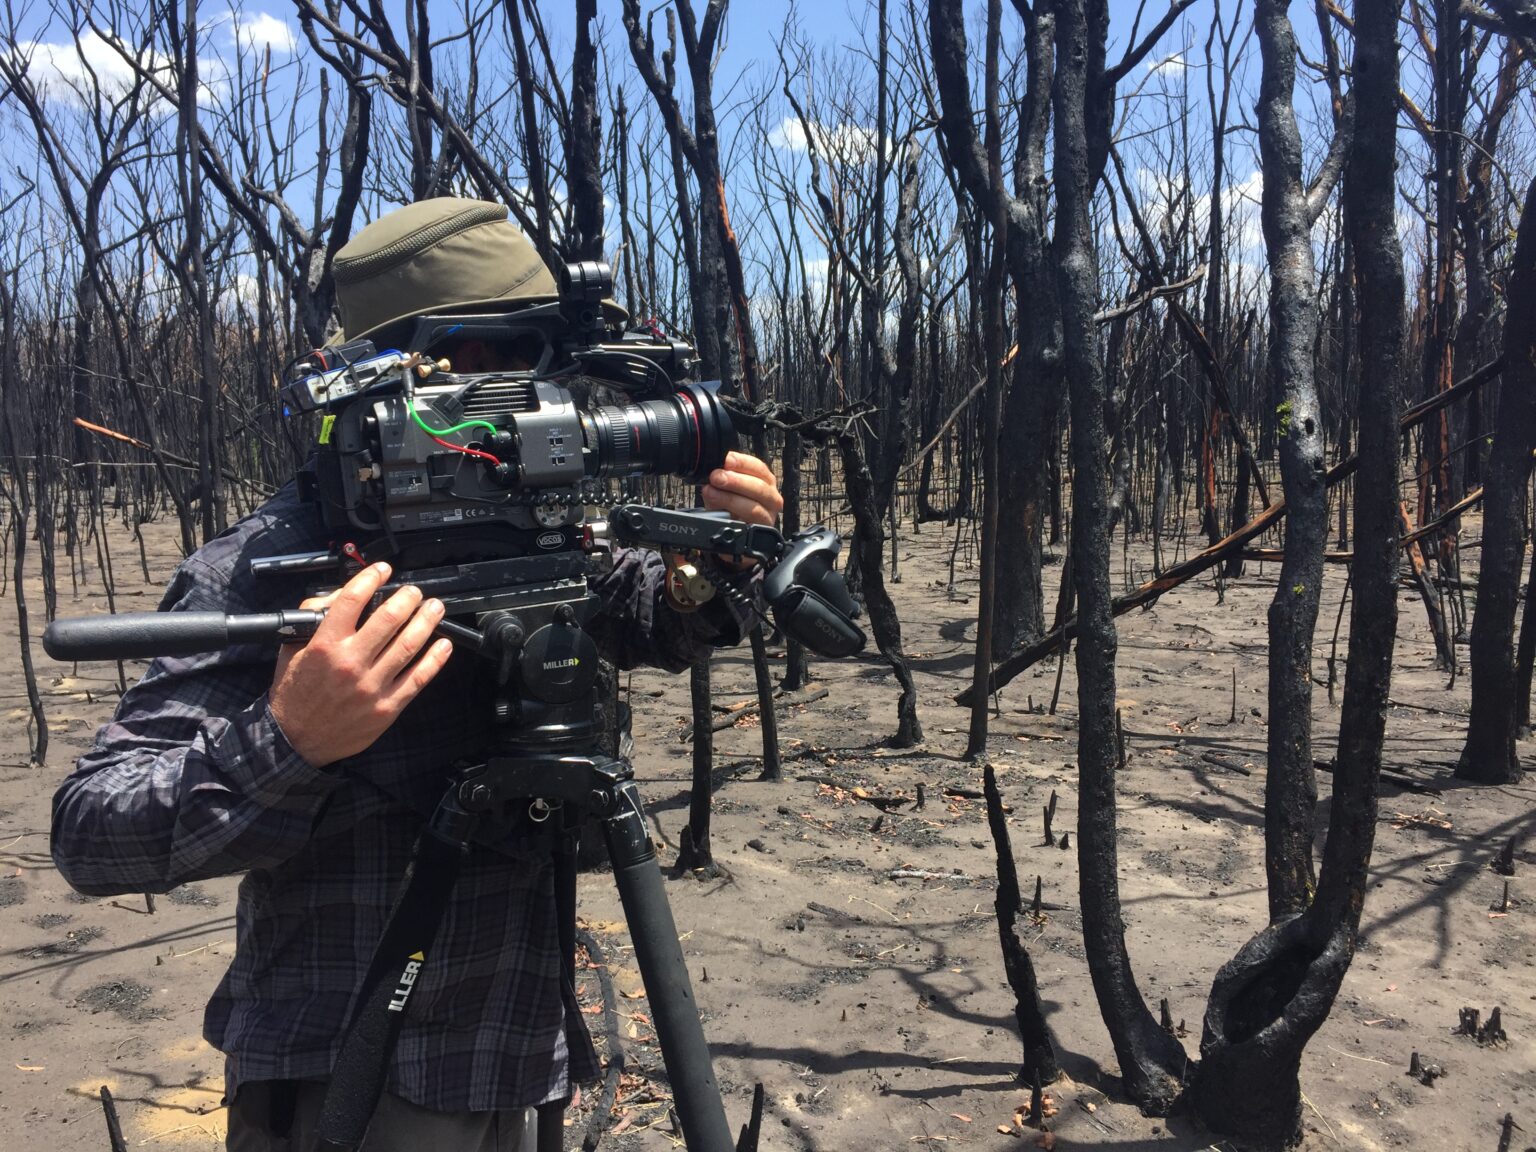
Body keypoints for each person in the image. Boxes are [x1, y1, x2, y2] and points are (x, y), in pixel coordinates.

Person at [50, 198, 783, 1152]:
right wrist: (289, 739)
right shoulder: (276, 564)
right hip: (349, 1079)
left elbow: (638, 608)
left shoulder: (539, 520)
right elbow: (91, 832)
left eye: (534, 361)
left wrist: (714, 571)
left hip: (521, 1054)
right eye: (481, 360)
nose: (516, 397)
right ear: (382, 379)